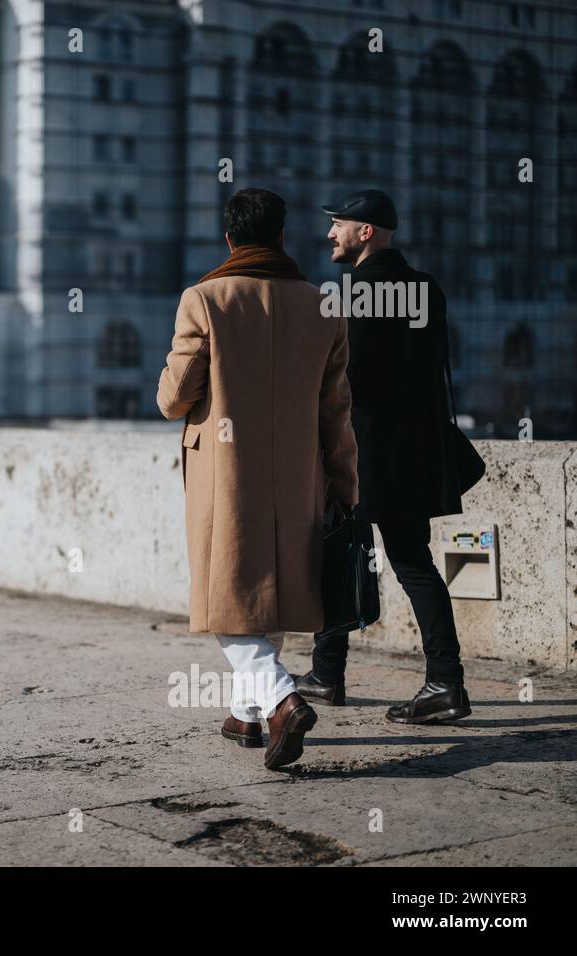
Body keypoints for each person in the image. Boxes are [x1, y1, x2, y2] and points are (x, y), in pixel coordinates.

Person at [157, 188, 359, 770]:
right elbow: (336, 413)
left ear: (229, 240)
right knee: (267, 594)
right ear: (282, 237)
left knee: (226, 599)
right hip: (300, 477)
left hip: (227, 475)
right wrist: (346, 485)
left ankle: (279, 699)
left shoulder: (205, 299)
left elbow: (174, 399)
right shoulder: (323, 307)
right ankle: (247, 716)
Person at [293, 189, 471, 724]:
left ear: (364, 232)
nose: (330, 234)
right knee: (414, 563)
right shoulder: (427, 287)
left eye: (339, 224)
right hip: (415, 454)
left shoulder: (356, 293)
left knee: (340, 557)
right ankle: (440, 679)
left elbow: (348, 383)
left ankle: (336, 676)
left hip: (366, 454)